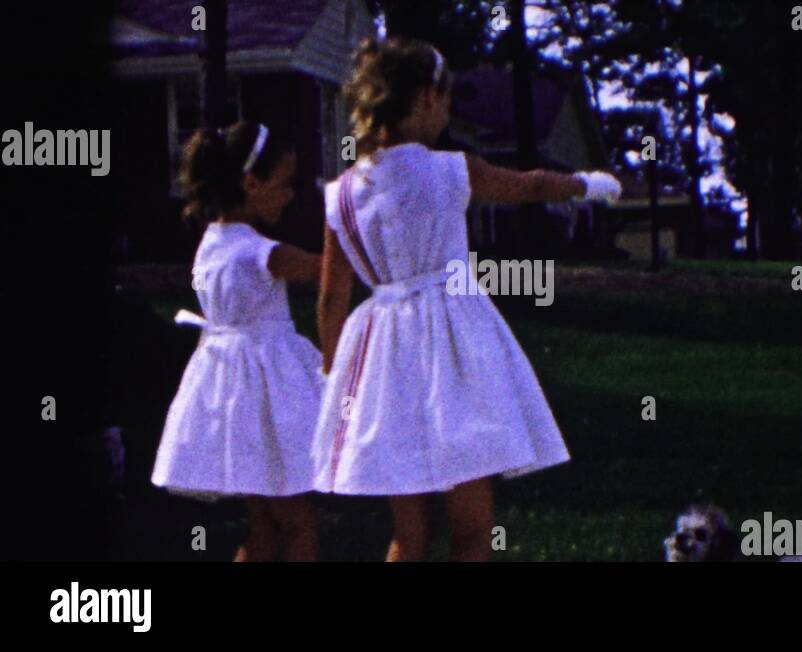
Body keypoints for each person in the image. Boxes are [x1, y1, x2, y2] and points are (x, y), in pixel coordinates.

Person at [312, 38, 622, 561]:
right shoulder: (450, 169)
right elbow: (530, 186)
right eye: (447, 100)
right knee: (472, 530)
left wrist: (332, 372)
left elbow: (329, 297)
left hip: (383, 355)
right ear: (426, 100)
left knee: (407, 535)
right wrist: (587, 184)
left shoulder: (341, 193)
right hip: (453, 347)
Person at [152, 121, 324, 561]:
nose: (290, 196)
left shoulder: (211, 242)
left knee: (263, 526)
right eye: (284, 185)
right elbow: (325, 268)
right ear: (251, 183)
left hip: (229, 393)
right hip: (267, 398)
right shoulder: (259, 251)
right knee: (300, 525)